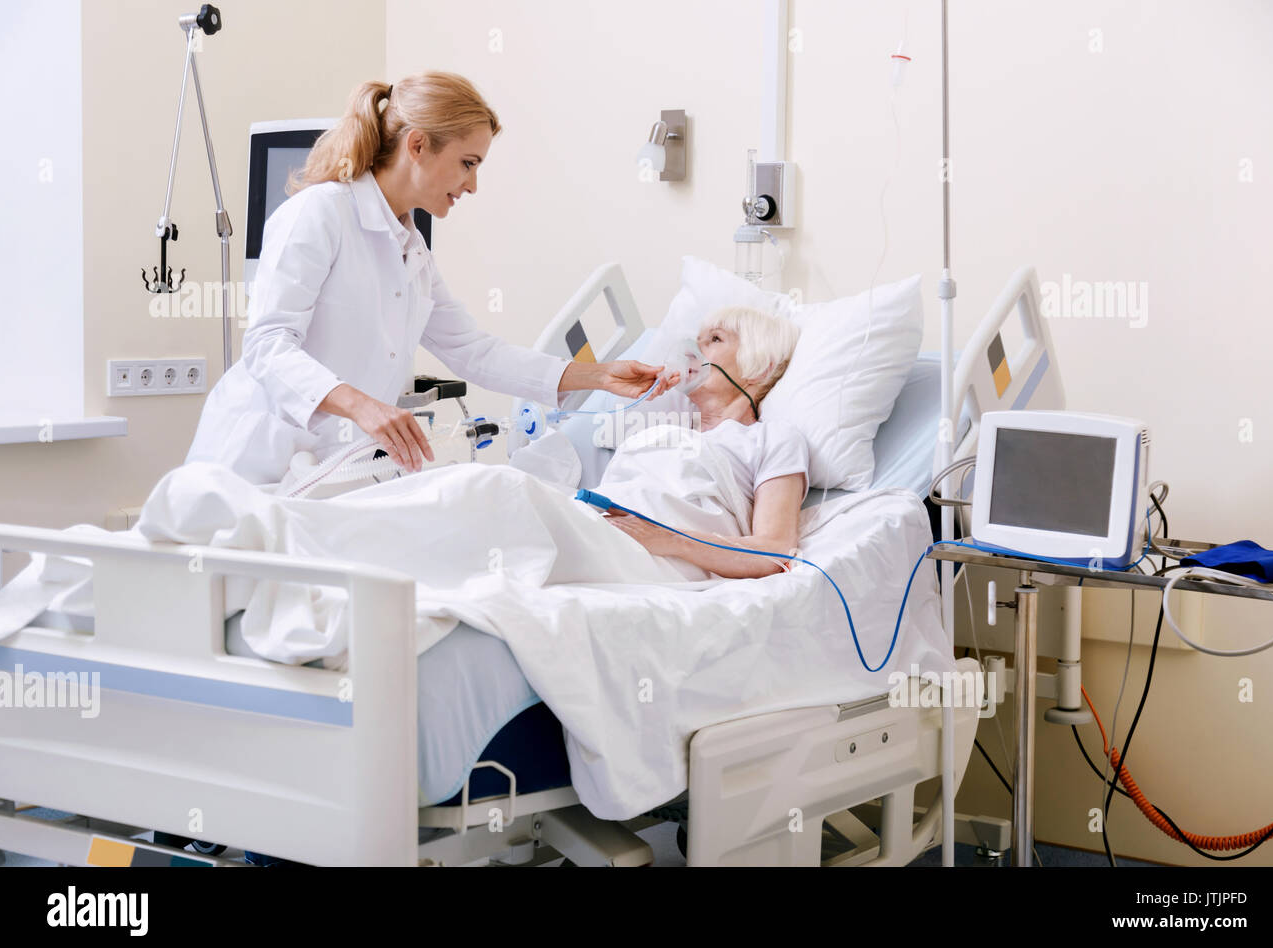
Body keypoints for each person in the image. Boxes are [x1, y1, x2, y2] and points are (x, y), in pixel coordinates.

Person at [186, 71, 672, 485]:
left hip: (326, 469)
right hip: (253, 462)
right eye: (468, 163)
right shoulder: (319, 214)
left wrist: (601, 376)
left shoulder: (410, 248)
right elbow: (268, 344)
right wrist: (364, 407)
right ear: (417, 145)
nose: (473, 185)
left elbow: (474, 351)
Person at [594, 305, 808, 578]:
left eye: (715, 339)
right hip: (596, 529)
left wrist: (667, 539)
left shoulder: (773, 439)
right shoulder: (662, 433)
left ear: (759, 369)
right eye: (697, 340)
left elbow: (773, 551)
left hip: (650, 561)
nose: (690, 351)